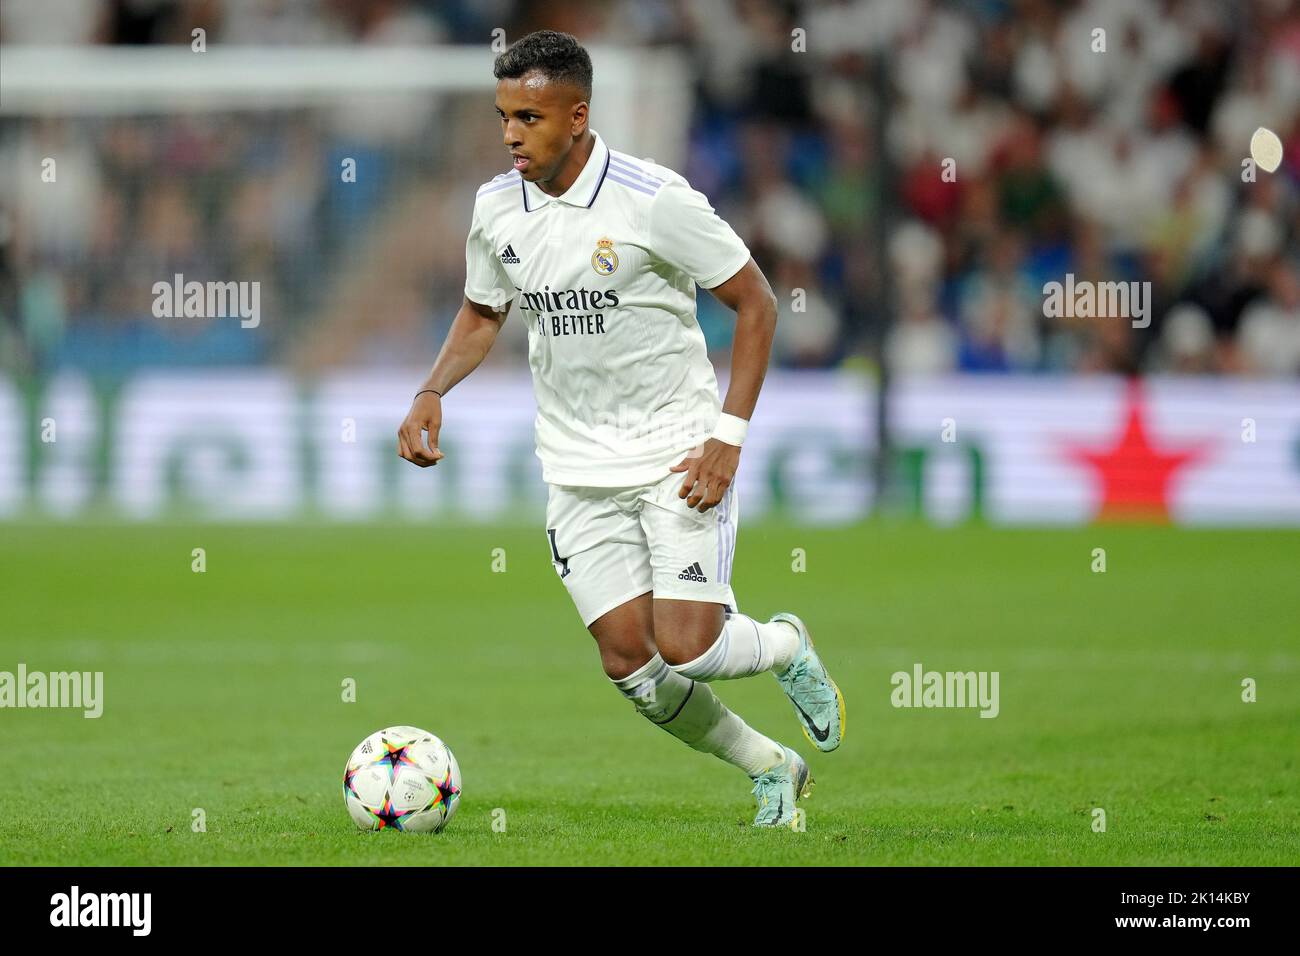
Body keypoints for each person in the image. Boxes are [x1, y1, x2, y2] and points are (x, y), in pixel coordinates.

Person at [397, 30, 844, 827]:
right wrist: (434, 388)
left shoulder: (654, 198)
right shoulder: (496, 206)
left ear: (578, 116)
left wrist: (728, 436)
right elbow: (481, 309)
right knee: (630, 664)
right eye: (502, 116)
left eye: (528, 117)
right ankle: (770, 766)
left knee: (691, 646)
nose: (509, 135)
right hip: (576, 469)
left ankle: (782, 644)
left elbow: (757, 304)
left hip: (677, 450)